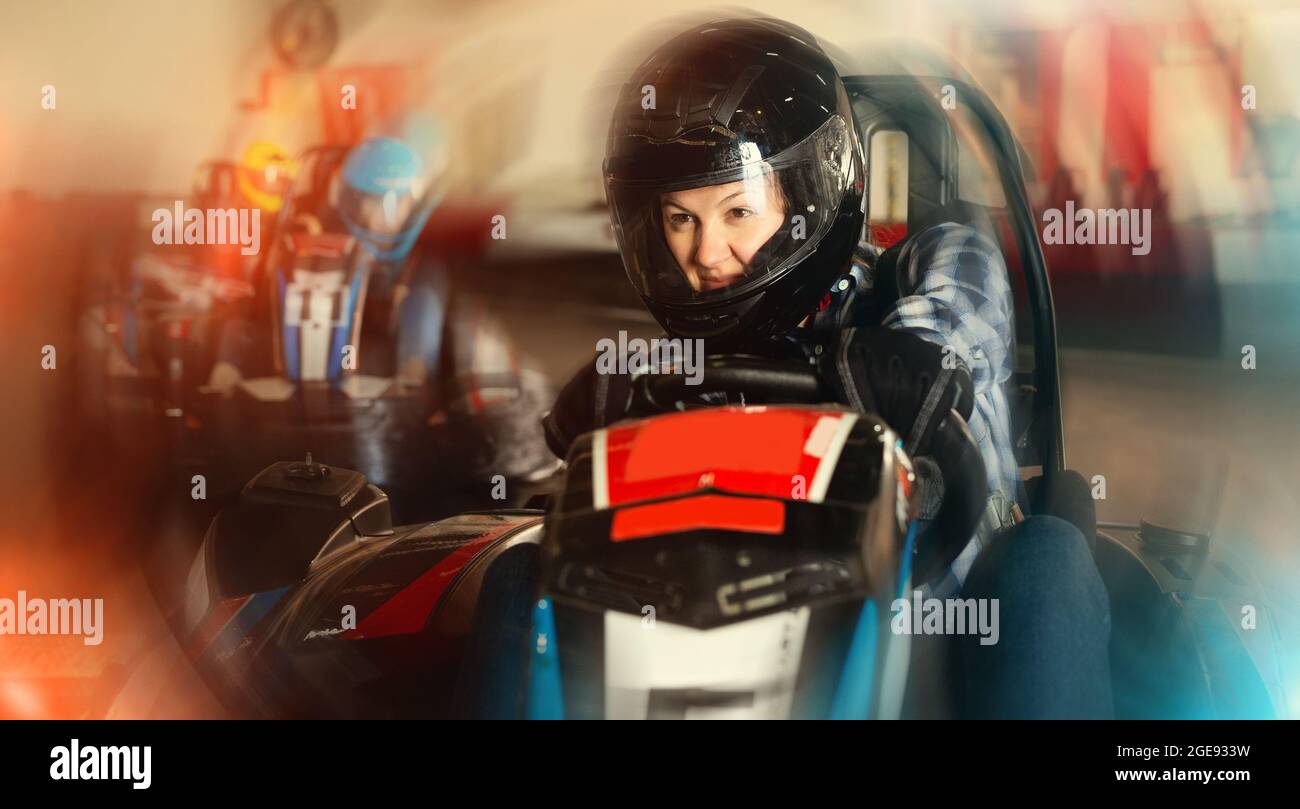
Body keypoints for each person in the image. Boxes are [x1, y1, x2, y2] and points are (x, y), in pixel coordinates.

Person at [540, 17, 1113, 718]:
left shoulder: (935, 267)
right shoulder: (677, 371)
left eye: (738, 210)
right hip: (766, 642)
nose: (708, 254)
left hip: (942, 643)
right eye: (680, 219)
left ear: (807, 200)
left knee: (1046, 560)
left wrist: (869, 369)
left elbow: (945, 347)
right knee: (523, 571)